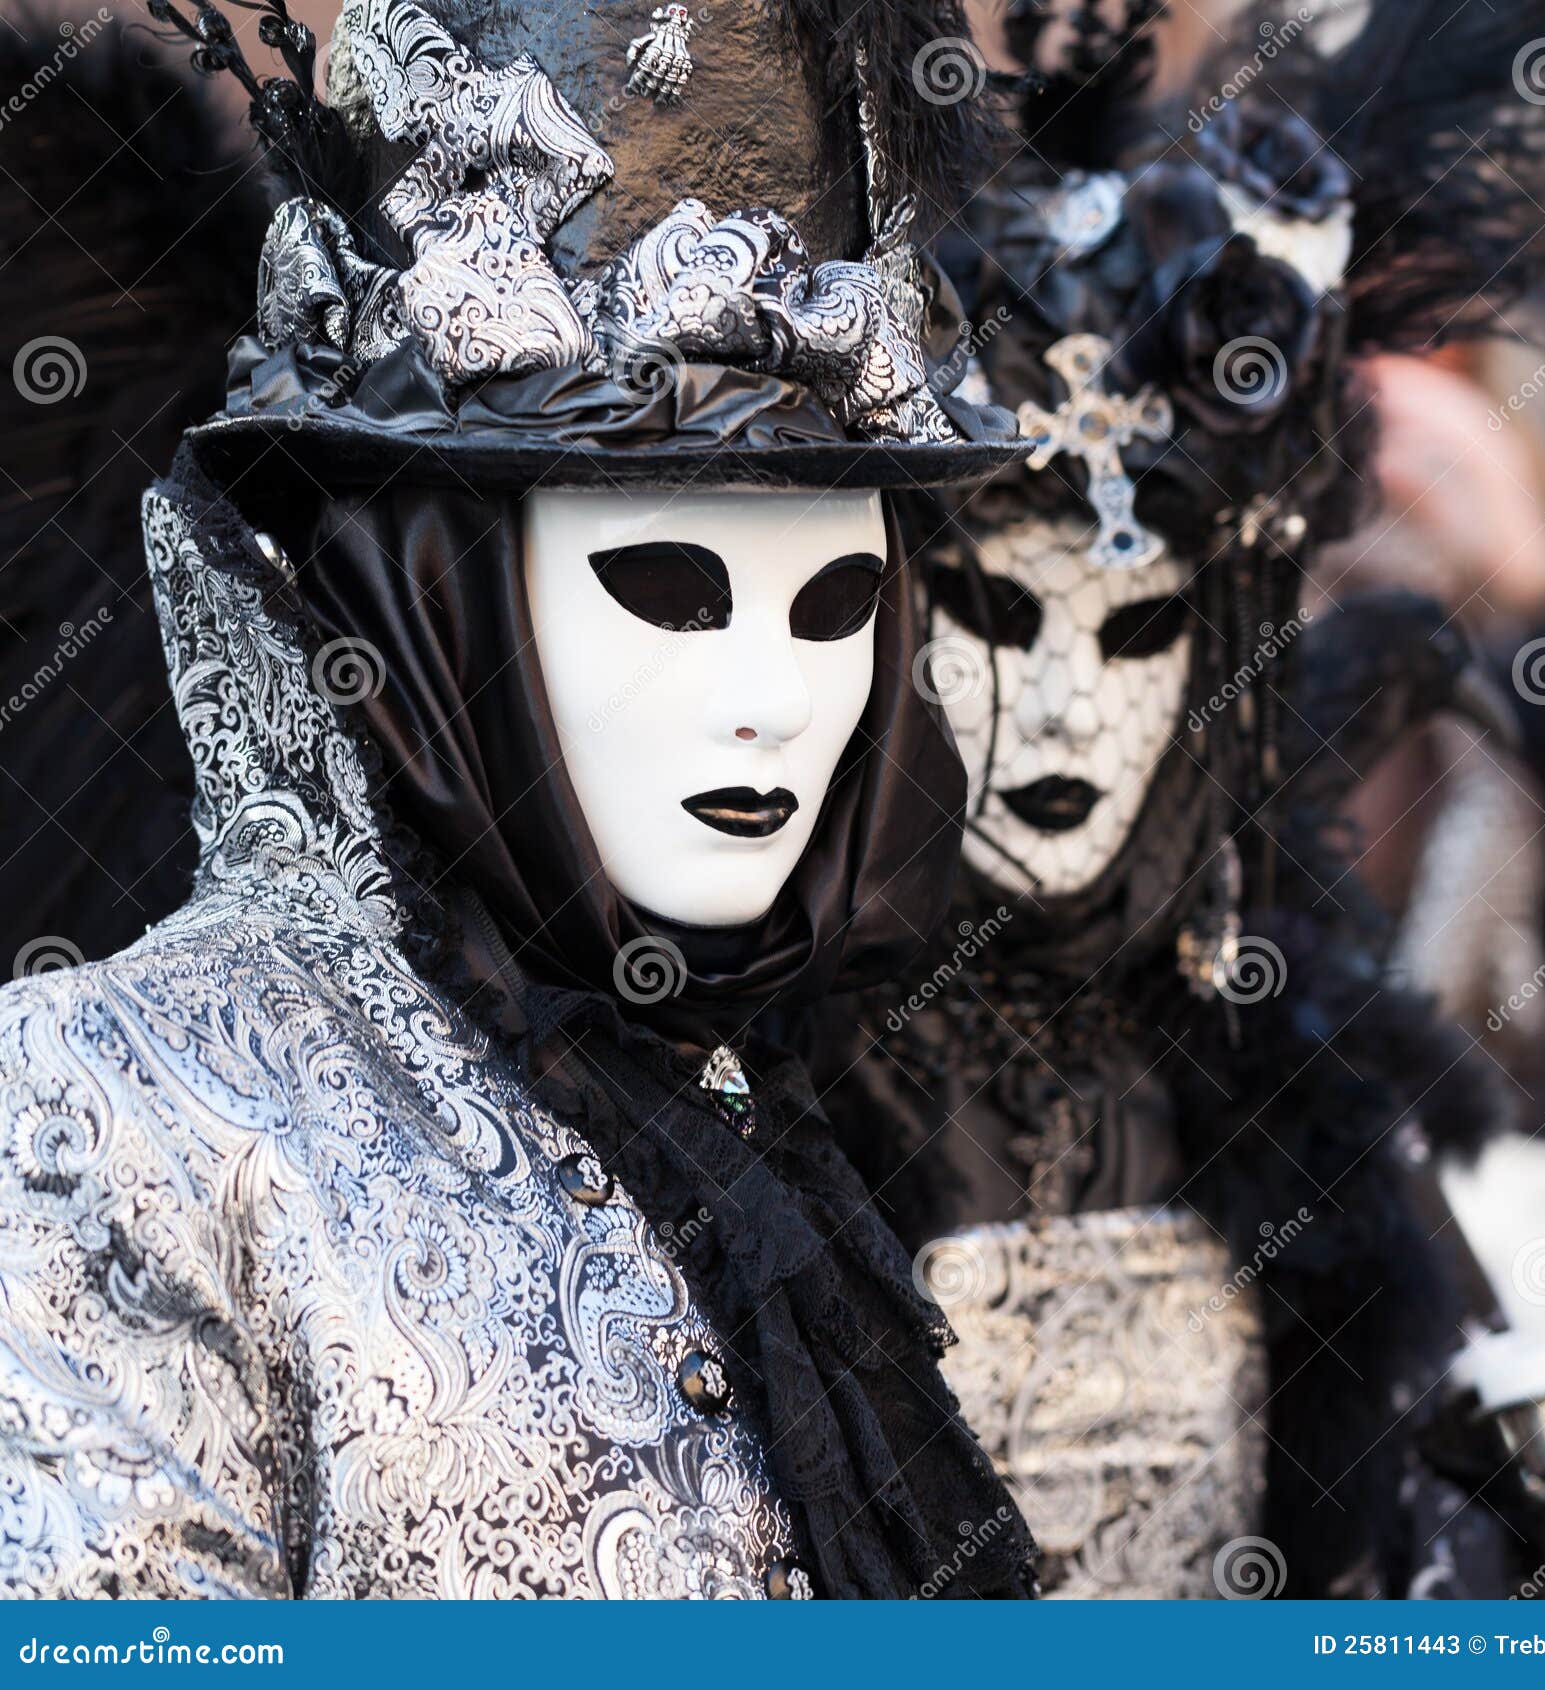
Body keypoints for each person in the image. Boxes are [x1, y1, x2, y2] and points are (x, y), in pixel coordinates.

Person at [0, 0, 1037, 1600]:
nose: (770, 695)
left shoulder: (758, 1121)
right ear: (435, 598)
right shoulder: (115, 1102)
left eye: (832, 605)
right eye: (674, 590)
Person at [818, 0, 1545, 1598]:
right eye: (1002, 623)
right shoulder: (757, 1052)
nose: (1069, 710)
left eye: (1139, 630)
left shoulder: (1260, 1040)